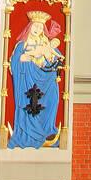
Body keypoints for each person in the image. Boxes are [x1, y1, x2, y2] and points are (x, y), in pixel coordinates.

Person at [7, 10, 64, 149]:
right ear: (29, 27)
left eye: (40, 27)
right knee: (29, 104)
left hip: (46, 78)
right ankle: (27, 132)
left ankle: (48, 129)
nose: (37, 30)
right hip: (27, 80)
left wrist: (50, 57)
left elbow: (56, 59)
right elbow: (14, 62)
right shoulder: (22, 45)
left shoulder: (46, 43)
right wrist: (22, 59)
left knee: (53, 98)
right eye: (35, 26)